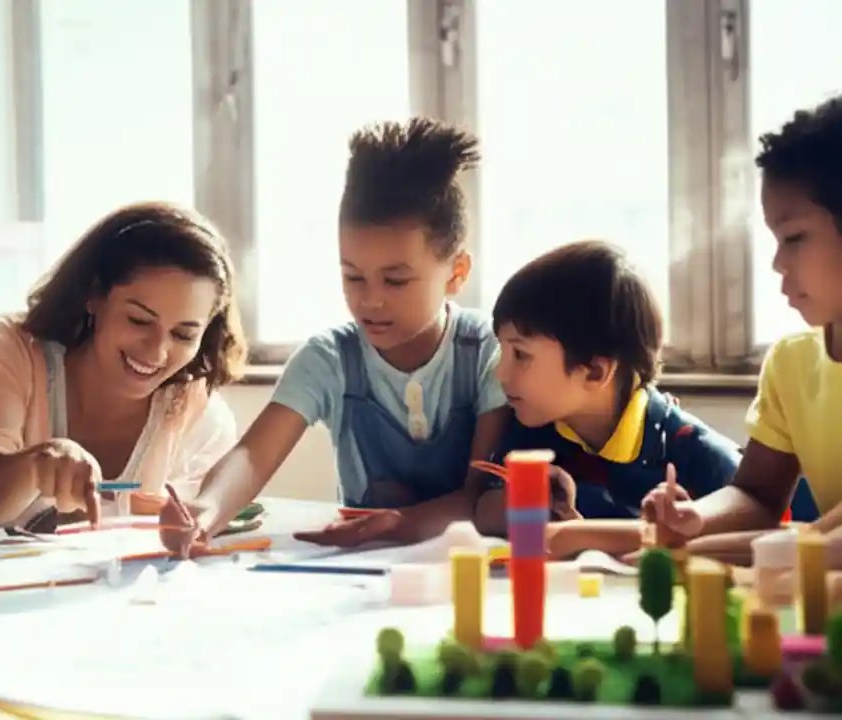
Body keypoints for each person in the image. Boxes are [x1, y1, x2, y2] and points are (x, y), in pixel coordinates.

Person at [161, 117, 510, 555]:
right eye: (353, 276)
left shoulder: (489, 352)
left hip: (470, 567)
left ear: (456, 273)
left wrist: (397, 524)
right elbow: (251, 458)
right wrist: (205, 511)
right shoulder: (328, 358)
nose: (371, 301)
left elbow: (481, 496)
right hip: (360, 571)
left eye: (396, 281)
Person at [0, 201, 246, 530]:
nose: (157, 352)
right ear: (93, 295)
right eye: (138, 320)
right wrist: (37, 466)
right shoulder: (13, 350)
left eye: (183, 334)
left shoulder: (202, 417)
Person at [644, 94, 842, 553]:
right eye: (775, 238)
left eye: (794, 237)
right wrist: (696, 517)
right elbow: (757, 495)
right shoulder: (793, 363)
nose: (776, 263)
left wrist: (796, 552)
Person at [484, 240, 740, 557]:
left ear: (594, 373)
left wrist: (581, 535)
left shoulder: (702, 459)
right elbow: (483, 508)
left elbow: (758, 537)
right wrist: (523, 498)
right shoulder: (533, 429)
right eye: (502, 350)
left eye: (520, 354)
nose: (501, 372)